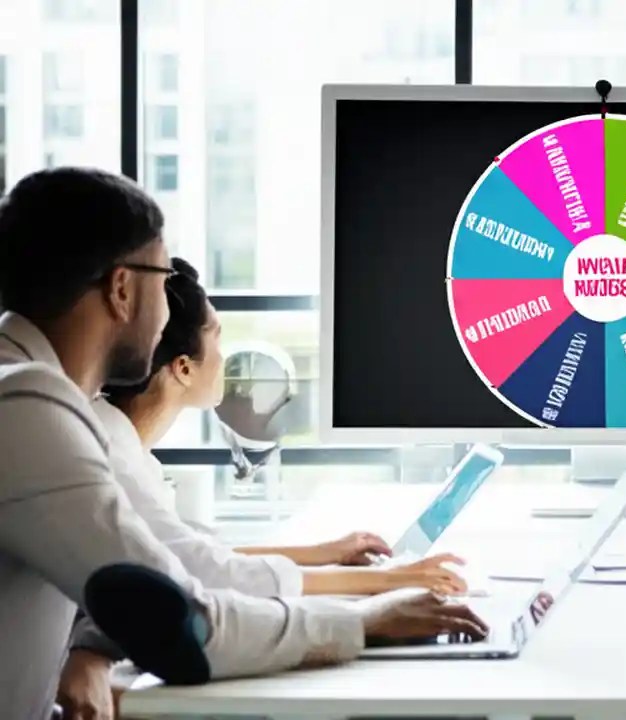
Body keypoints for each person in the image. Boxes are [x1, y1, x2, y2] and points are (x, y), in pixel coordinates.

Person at [0, 168, 487, 719]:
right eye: (162, 279)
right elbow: (183, 625)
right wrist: (364, 621)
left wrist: (92, 645)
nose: (166, 312)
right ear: (121, 289)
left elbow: (127, 574)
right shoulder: (28, 407)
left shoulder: (27, 392)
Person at [83, 257, 467, 599]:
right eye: (217, 336)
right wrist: (388, 581)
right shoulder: (113, 456)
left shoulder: (125, 444)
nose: (223, 354)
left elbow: (193, 550)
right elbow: (202, 571)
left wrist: (322, 553)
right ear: (183, 368)